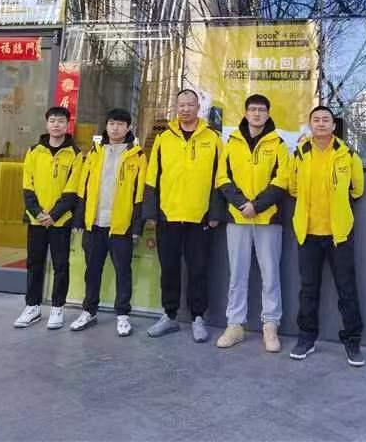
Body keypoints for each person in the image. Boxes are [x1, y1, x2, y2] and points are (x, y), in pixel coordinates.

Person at [142, 89, 223, 342]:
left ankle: (198, 318)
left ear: (198, 107)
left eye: (190, 105)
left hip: (200, 216)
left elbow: (219, 178)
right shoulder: (163, 138)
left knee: (199, 269)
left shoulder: (213, 138)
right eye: (181, 105)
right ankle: (169, 316)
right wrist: (151, 212)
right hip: (169, 214)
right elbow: (152, 176)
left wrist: (215, 212)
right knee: (169, 268)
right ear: (176, 107)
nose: (185, 109)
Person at [289, 106, 365, 365]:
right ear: (310, 125)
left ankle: (352, 341)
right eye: (316, 120)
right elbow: (292, 187)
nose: (321, 123)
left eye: (326, 120)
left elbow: (357, 189)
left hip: (338, 234)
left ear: (334, 125)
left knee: (347, 289)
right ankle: (306, 338)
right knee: (308, 289)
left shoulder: (347, 154)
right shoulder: (300, 153)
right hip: (308, 232)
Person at [215, 94, 291, 352]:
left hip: (268, 218)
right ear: (246, 113)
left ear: (268, 114)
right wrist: (241, 204)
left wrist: (256, 206)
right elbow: (222, 178)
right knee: (237, 274)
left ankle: (270, 325)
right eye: (252, 109)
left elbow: (282, 180)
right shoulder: (231, 142)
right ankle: (235, 325)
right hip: (237, 218)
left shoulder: (278, 143)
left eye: (261, 110)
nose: (257, 114)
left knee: (270, 275)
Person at [70, 108, 147, 336]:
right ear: (106, 126)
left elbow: (140, 194)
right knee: (92, 271)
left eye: (121, 124)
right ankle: (89, 311)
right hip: (94, 223)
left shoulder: (137, 155)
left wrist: (136, 226)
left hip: (121, 225)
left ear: (128, 128)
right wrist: (80, 219)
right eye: (112, 123)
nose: (115, 128)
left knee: (123, 271)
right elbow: (83, 187)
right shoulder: (94, 152)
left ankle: (122, 315)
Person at [14, 106, 83, 330]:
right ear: (47, 124)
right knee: (35, 263)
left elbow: (72, 191)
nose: (56, 125)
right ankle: (32, 306)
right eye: (52, 120)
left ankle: (57, 308)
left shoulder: (75, 154)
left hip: (60, 221)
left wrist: (53, 215)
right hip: (36, 220)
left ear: (67, 125)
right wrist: (38, 213)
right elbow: (27, 186)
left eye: (61, 121)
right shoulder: (34, 152)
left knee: (61, 265)